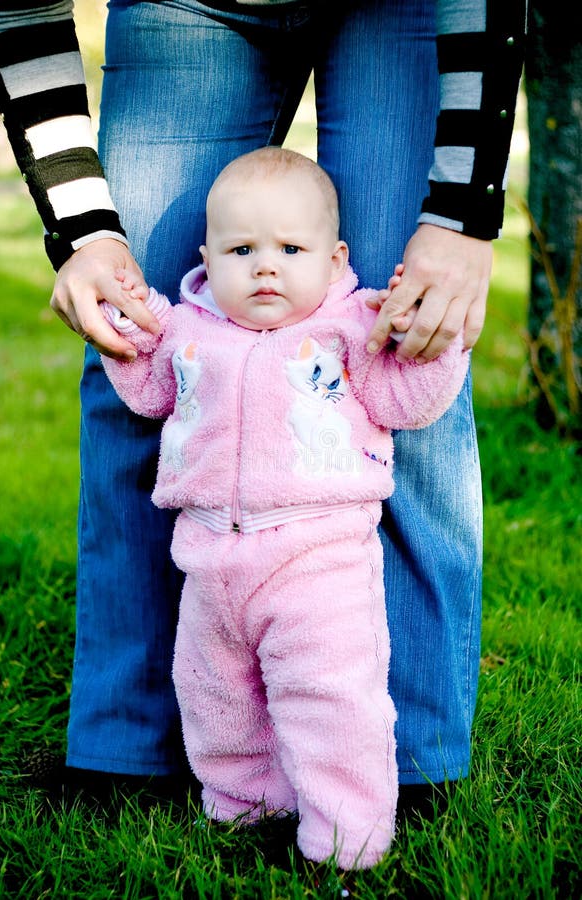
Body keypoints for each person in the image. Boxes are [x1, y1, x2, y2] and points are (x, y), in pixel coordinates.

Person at [0, 1, 526, 813]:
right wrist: (84, 233)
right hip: (189, 5)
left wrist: (460, 218)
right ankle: (131, 747)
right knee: (131, 333)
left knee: (410, 333)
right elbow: (16, 10)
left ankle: (409, 762)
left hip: (402, 2)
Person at [99, 146, 470, 868]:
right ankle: (244, 811)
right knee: (216, 699)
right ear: (207, 257)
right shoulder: (188, 332)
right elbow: (149, 392)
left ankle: (346, 839)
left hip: (317, 561)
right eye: (242, 249)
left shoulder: (352, 327)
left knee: (333, 703)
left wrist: (430, 342)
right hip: (209, 559)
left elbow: (409, 402)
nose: (265, 266)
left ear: (334, 261)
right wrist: (132, 326)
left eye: (290, 249)